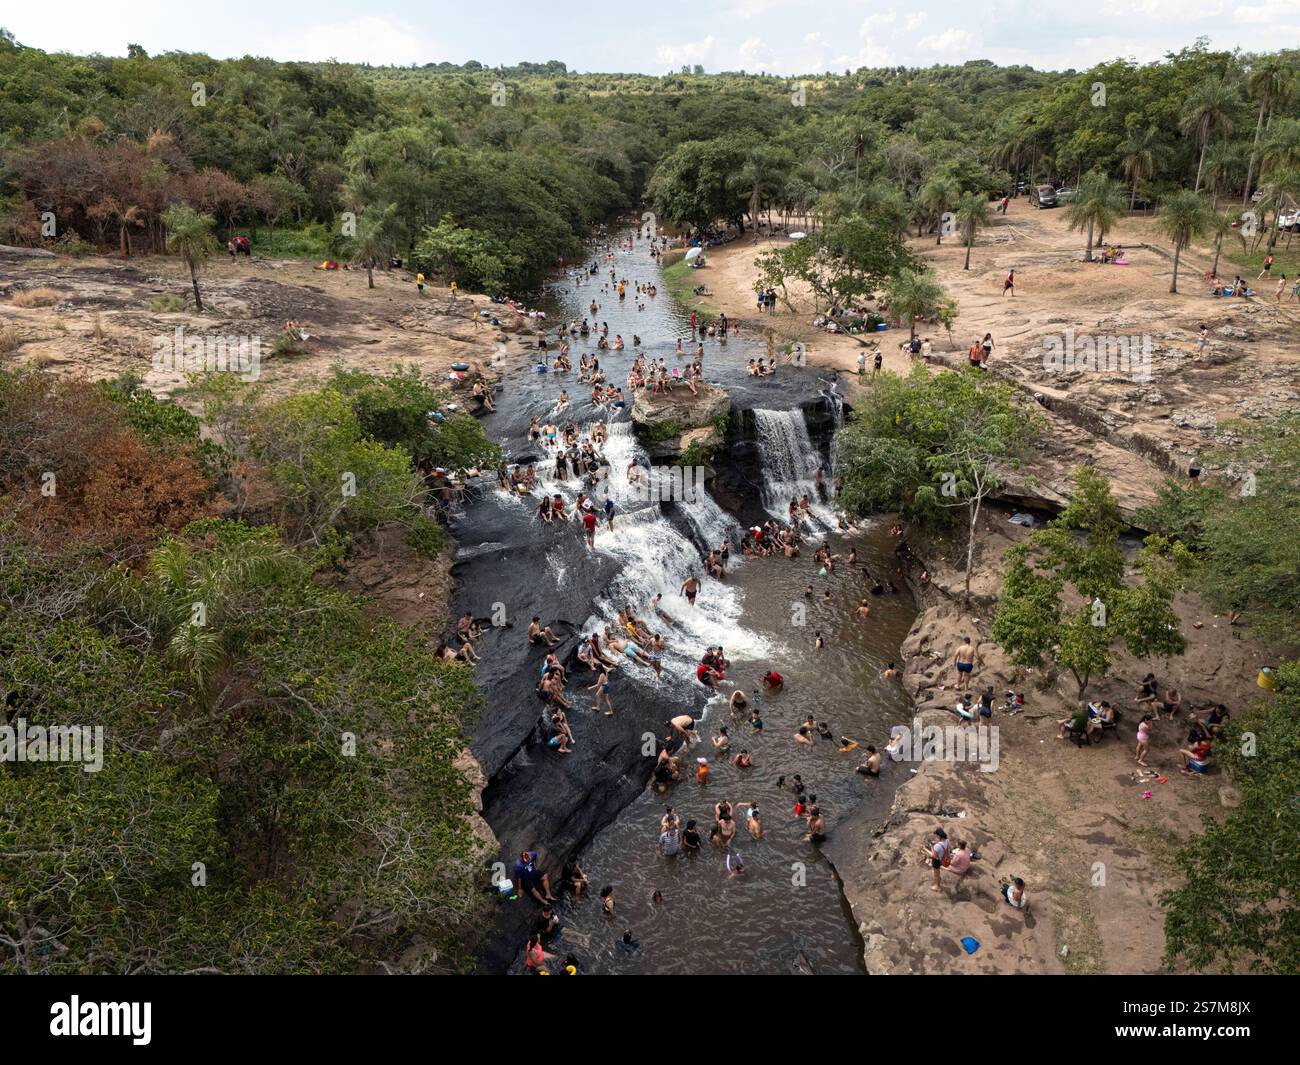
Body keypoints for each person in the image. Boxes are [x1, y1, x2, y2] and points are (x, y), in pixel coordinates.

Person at [921, 828, 949, 893]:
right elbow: (944, 847)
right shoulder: (947, 840)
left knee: (936, 874)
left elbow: (933, 856)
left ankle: (937, 886)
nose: (935, 837)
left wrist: (925, 849)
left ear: (938, 836)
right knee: (937, 873)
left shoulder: (937, 846)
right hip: (943, 858)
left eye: (936, 836)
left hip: (937, 861)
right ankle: (938, 880)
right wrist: (934, 844)